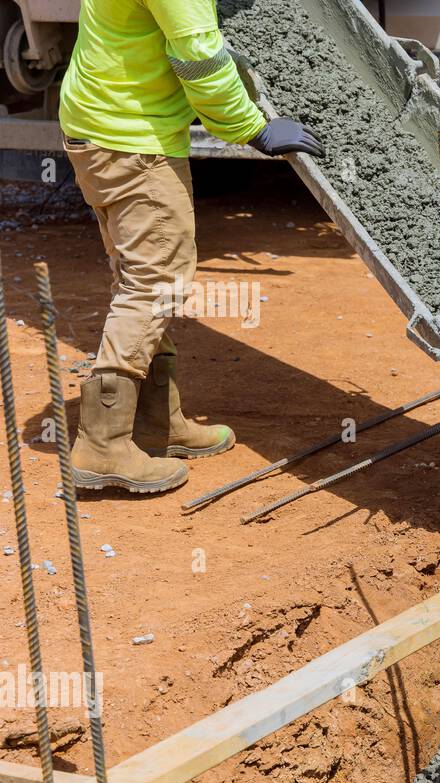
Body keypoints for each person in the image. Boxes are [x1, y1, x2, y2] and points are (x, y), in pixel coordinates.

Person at [59, 0, 323, 493]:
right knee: (155, 280)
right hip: (133, 140)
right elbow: (199, 56)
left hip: (98, 125)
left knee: (140, 275)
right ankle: (102, 444)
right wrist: (252, 128)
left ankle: (156, 421)